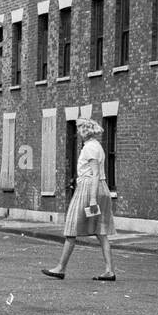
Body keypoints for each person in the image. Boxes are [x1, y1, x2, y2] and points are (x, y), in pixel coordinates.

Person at [42, 118, 116, 280]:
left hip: (89, 190)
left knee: (71, 229)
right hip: (101, 189)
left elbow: (95, 174)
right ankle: (109, 270)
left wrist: (92, 200)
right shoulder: (97, 146)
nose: (78, 131)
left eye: (80, 128)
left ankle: (60, 268)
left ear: (85, 130)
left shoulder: (89, 148)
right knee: (101, 232)